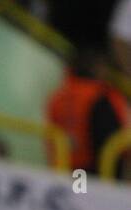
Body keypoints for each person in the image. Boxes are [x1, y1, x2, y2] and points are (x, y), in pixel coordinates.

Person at [45, 46, 130, 177]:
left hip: (65, 169)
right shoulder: (100, 97)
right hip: (96, 172)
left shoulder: (57, 98)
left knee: (77, 195)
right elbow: (109, 138)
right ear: (95, 67)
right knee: (88, 196)